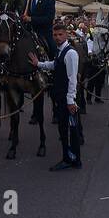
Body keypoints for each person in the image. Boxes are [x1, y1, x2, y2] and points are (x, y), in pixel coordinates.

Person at [30, 22, 81, 169]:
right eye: (55, 35)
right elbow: (54, 64)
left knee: (69, 129)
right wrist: (38, 64)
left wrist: (71, 100)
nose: (57, 37)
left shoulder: (70, 53)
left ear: (66, 34)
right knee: (63, 129)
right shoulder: (60, 51)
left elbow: (72, 78)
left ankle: (71, 159)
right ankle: (70, 157)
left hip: (66, 98)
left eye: (60, 34)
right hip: (60, 96)